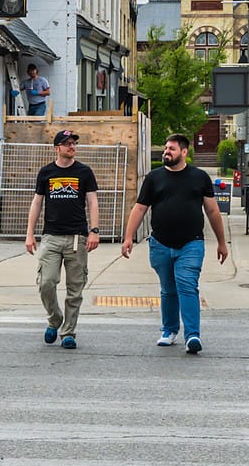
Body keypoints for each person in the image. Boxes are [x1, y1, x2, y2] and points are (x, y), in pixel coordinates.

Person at [120, 133, 228, 354]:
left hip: (191, 243)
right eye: (166, 148)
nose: (166, 152)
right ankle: (169, 330)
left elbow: (212, 211)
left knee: (187, 286)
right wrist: (128, 237)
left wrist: (221, 242)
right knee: (168, 290)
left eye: (171, 149)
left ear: (184, 152)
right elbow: (140, 208)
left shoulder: (199, 177)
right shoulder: (154, 178)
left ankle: (192, 335)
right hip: (160, 243)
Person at [24, 129, 99, 350]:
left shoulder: (84, 172)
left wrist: (94, 231)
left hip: (77, 237)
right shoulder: (46, 172)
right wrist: (30, 233)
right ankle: (54, 318)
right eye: (67, 143)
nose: (71, 147)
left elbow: (92, 202)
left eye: (74, 143)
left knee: (75, 288)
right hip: (51, 237)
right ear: (57, 148)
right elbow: (37, 202)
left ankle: (68, 332)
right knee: (46, 282)